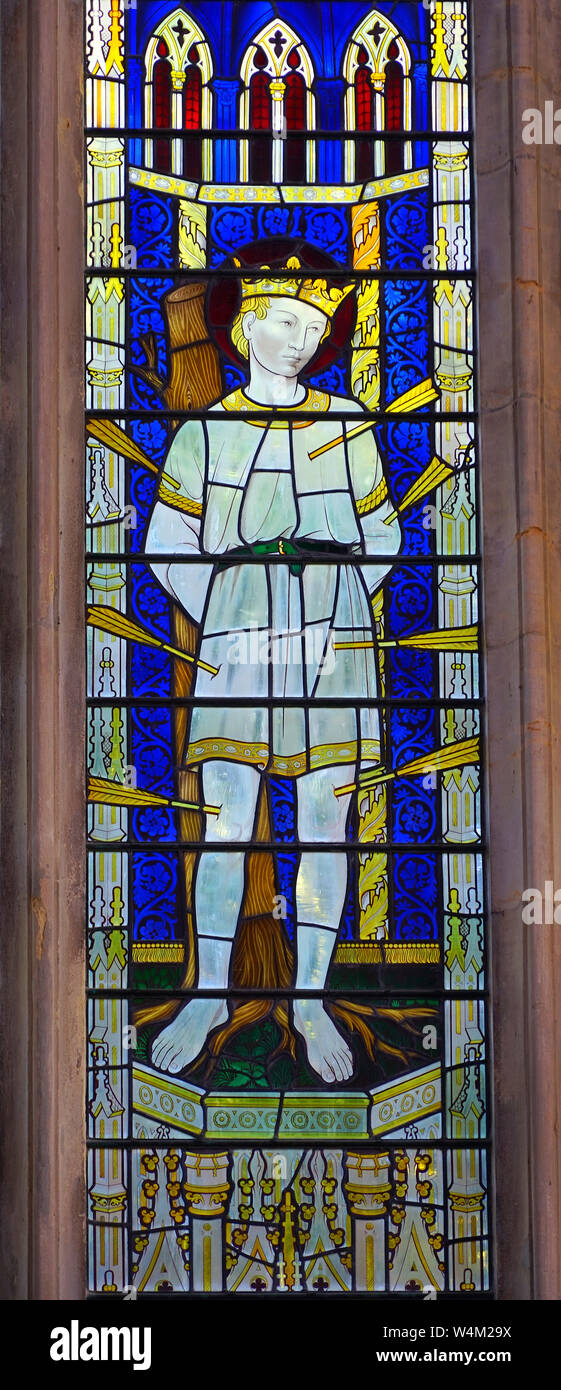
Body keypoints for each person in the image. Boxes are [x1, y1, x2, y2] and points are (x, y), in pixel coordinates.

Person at [146, 256, 402, 1083]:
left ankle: (314, 999)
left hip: (333, 636)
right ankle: (208, 991)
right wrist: (229, 616)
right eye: (287, 320)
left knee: (327, 824)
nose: (302, 339)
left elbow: (383, 536)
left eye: (316, 328)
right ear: (244, 324)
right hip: (238, 633)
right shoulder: (206, 429)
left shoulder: (346, 424)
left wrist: (326, 607)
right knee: (227, 825)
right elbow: (166, 544)